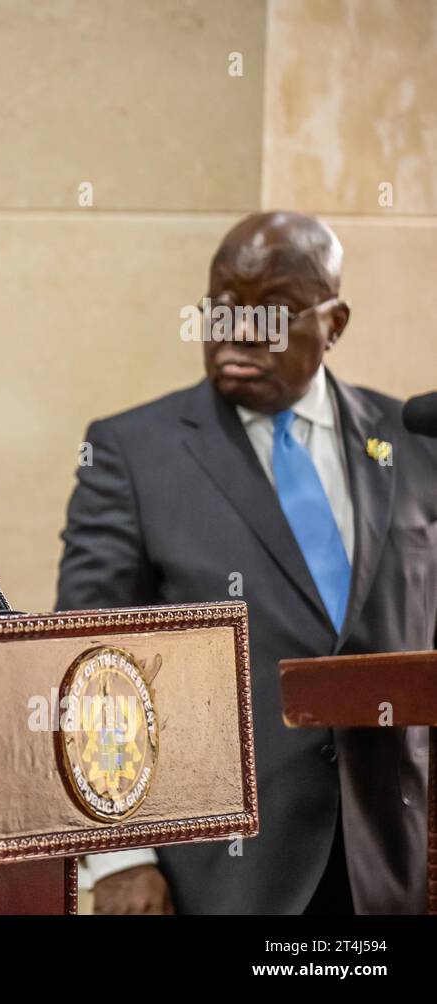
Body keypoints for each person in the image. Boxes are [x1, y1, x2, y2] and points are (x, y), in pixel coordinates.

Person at [57, 211, 435, 914]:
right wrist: (120, 854)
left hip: (392, 859)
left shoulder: (413, 443)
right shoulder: (133, 453)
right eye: (223, 308)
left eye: (275, 311)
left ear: (336, 323)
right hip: (215, 870)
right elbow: (93, 654)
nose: (238, 332)